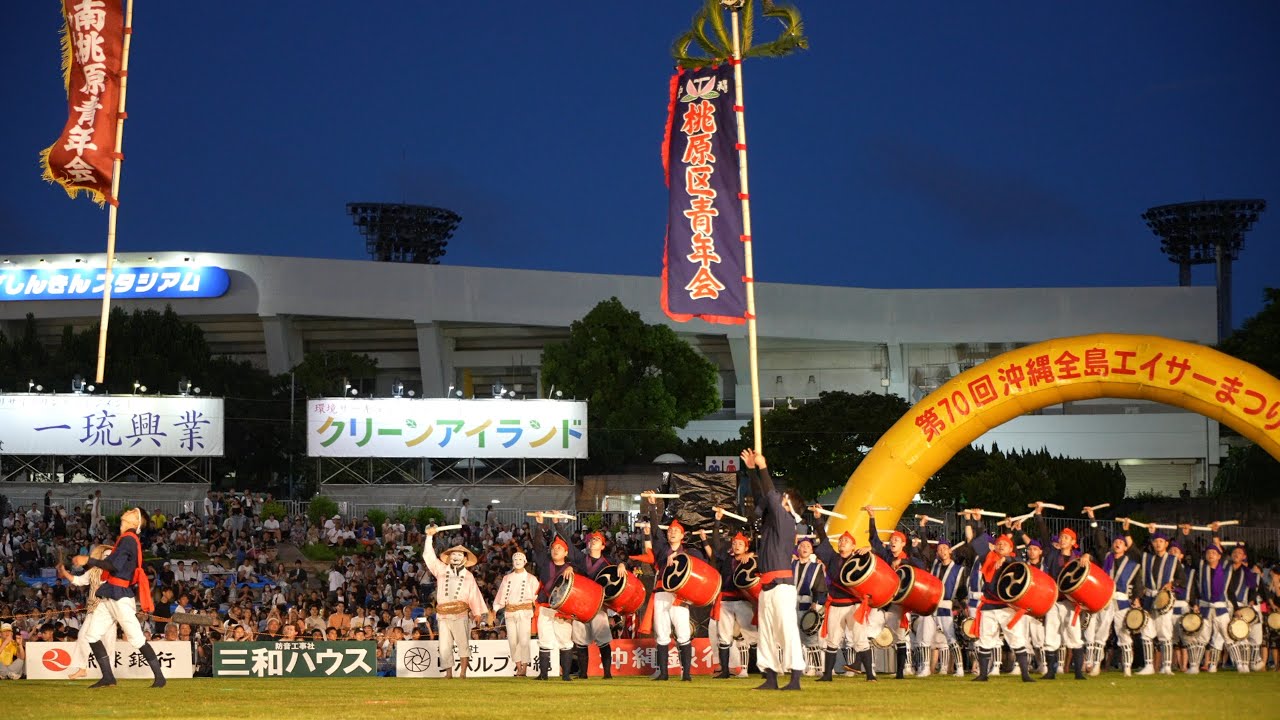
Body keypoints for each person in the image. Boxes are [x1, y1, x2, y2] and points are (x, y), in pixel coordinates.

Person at [72, 507, 167, 688]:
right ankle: (108, 677)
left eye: (132, 511)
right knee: (91, 636)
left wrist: (88, 560)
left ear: (134, 522)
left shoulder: (129, 539)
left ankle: (160, 678)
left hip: (120, 596)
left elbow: (112, 566)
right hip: (111, 594)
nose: (129, 510)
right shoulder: (127, 539)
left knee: (137, 639)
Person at [740, 448, 804, 690]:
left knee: (787, 631)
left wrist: (763, 466)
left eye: (783, 497)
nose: (778, 498)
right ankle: (771, 678)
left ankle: (796, 677)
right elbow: (763, 496)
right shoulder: (773, 523)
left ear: (788, 505)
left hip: (781, 587)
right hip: (767, 587)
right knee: (765, 633)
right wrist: (751, 469)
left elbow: (770, 494)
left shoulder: (786, 521)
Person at [642, 490, 708, 681]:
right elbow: (655, 531)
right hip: (662, 593)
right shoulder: (662, 550)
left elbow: (701, 569)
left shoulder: (690, 553)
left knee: (683, 633)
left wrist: (678, 557)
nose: (672, 533)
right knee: (661, 633)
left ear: (682, 536)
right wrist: (653, 506)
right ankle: (663, 673)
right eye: (670, 531)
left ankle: (686, 673)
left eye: (676, 531)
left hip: (679, 596)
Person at [421, 524, 491, 679]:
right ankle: (448, 673)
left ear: (465, 559)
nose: (456, 557)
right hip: (444, 613)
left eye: (460, 555)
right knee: (444, 645)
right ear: (449, 556)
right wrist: (429, 537)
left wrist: (477, 613)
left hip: (460, 613)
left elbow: (474, 594)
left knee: (462, 643)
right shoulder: (441, 569)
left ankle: (463, 672)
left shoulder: (468, 576)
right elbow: (429, 557)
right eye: (454, 554)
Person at [810, 509, 871, 681]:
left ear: (853, 546)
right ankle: (827, 675)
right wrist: (818, 519)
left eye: (847, 541)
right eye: (841, 540)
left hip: (854, 604)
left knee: (860, 639)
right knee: (832, 641)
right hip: (836, 604)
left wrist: (870, 548)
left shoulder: (860, 559)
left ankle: (870, 675)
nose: (842, 542)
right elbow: (823, 539)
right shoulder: (831, 557)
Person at [866, 506, 925, 679]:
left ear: (903, 544)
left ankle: (900, 672)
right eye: (891, 539)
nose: (892, 542)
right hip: (883, 601)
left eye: (896, 540)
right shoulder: (886, 555)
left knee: (899, 638)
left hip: (898, 603)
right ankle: (870, 670)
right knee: (869, 632)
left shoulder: (910, 560)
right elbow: (874, 540)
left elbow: (922, 567)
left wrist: (904, 560)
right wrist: (872, 518)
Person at [969, 528, 1035, 682]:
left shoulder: (1015, 561)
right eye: (998, 543)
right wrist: (976, 522)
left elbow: (1020, 564)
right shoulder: (988, 558)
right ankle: (983, 674)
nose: (1001, 546)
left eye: (1005, 544)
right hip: (989, 606)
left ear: (1011, 548)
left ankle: (1025, 674)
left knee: (1016, 638)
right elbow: (977, 542)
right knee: (985, 639)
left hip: (1007, 606)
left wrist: (1006, 560)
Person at [1029, 507, 1087, 680]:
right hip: (1055, 601)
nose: (1062, 539)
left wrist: (1087, 556)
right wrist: (1039, 515)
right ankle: (1051, 672)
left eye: (1066, 538)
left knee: (1074, 635)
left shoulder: (1078, 558)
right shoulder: (1052, 554)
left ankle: (1078, 672)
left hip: (1071, 602)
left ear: (1073, 542)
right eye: (1061, 537)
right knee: (1050, 634)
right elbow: (1045, 537)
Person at [1085, 509, 1142, 676]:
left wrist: (1137, 597)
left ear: (1125, 547)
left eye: (1121, 542)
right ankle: (1096, 665)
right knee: (1100, 634)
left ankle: (1127, 667)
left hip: (1123, 601)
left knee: (1124, 633)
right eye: (1116, 542)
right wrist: (1093, 519)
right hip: (1105, 600)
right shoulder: (1107, 557)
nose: (1117, 544)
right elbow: (1099, 539)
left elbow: (1138, 582)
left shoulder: (1132, 562)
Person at [1125, 522, 1184, 675]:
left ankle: (1167, 666)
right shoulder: (1146, 558)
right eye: (1155, 541)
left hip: (1165, 601)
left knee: (1165, 633)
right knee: (1147, 633)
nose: (1158, 544)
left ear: (1166, 544)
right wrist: (1126, 530)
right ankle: (1149, 666)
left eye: (1161, 541)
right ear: (1152, 543)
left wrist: (1172, 584)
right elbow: (1131, 548)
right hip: (1149, 600)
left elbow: (1181, 579)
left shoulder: (1173, 560)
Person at [707, 507, 759, 679]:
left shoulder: (751, 561)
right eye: (735, 543)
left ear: (746, 547)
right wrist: (716, 521)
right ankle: (724, 670)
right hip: (725, 601)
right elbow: (715, 543)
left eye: (740, 544)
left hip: (743, 601)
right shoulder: (725, 557)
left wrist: (752, 556)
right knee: (724, 635)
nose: (736, 545)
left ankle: (752, 668)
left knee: (750, 633)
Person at [530, 513, 577, 681]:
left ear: (566, 552)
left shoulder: (571, 568)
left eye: (559, 548)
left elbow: (571, 545)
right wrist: (539, 525)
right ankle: (543, 675)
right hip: (545, 606)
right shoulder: (544, 562)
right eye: (554, 548)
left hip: (562, 609)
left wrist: (558, 525)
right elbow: (537, 546)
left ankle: (565, 675)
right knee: (544, 639)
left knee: (565, 640)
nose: (555, 550)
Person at [57, 544, 114, 679]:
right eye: (105, 556)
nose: (107, 558)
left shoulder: (116, 572)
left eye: (110, 556)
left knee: (108, 641)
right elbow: (78, 580)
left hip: (110, 610)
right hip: (93, 609)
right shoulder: (93, 571)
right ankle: (82, 668)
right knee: (82, 636)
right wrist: (64, 572)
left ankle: (109, 674)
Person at [566, 529, 616, 679]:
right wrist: (557, 525)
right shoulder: (581, 559)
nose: (593, 541)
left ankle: (607, 673)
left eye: (597, 540)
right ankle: (583, 674)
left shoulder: (609, 561)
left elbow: (618, 575)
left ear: (602, 546)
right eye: (592, 539)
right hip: (580, 603)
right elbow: (568, 544)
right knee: (580, 640)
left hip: (599, 605)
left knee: (603, 640)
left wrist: (621, 566)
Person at [918, 530, 967, 678]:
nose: (942, 551)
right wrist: (922, 529)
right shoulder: (935, 566)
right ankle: (925, 668)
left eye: (945, 548)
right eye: (939, 549)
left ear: (950, 551)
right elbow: (925, 550)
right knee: (925, 637)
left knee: (951, 637)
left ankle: (959, 668)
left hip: (946, 605)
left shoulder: (959, 569)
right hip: (931, 605)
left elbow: (962, 590)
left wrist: (958, 605)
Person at [493, 550, 539, 677]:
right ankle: (518, 666)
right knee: (513, 640)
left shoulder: (531, 579)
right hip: (510, 612)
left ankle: (524, 667)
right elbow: (501, 595)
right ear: (512, 563)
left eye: (520, 560)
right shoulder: (507, 578)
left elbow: (536, 596)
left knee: (524, 640)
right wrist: (495, 609)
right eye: (515, 560)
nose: (518, 562)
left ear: (524, 562)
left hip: (524, 612)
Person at [792, 535, 826, 677]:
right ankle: (799, 665)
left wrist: (815, 603)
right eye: (802, 546)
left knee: (810, 637)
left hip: (808, 603)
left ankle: (817, 667)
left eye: (808, 546)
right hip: (791, 603)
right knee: (795, 637)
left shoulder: (816, 567)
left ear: (812, 550)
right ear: (798, 549)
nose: (805, 548)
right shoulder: (791, 564)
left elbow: (820, 587)